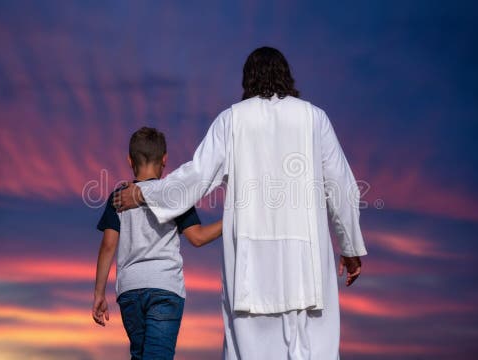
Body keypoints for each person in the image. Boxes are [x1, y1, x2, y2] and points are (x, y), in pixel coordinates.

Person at [114, 47, 367, 359]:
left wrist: (143, 193)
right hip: (307, 265)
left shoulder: (231, 120)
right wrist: (350, 247)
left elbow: (197, 176)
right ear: (287, 76)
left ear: (247, 80)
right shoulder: (315, 119)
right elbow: (341, 185)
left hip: (251, 268)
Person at [92, 126, 223, 360]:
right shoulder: (174, 195)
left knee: (141, 355)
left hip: (130, 290)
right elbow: (198, 237)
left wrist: (99, 293)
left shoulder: (119, 196)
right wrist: (231, 221)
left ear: (130, 160)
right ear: (164, 160)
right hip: (165, 286)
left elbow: (108, 245)